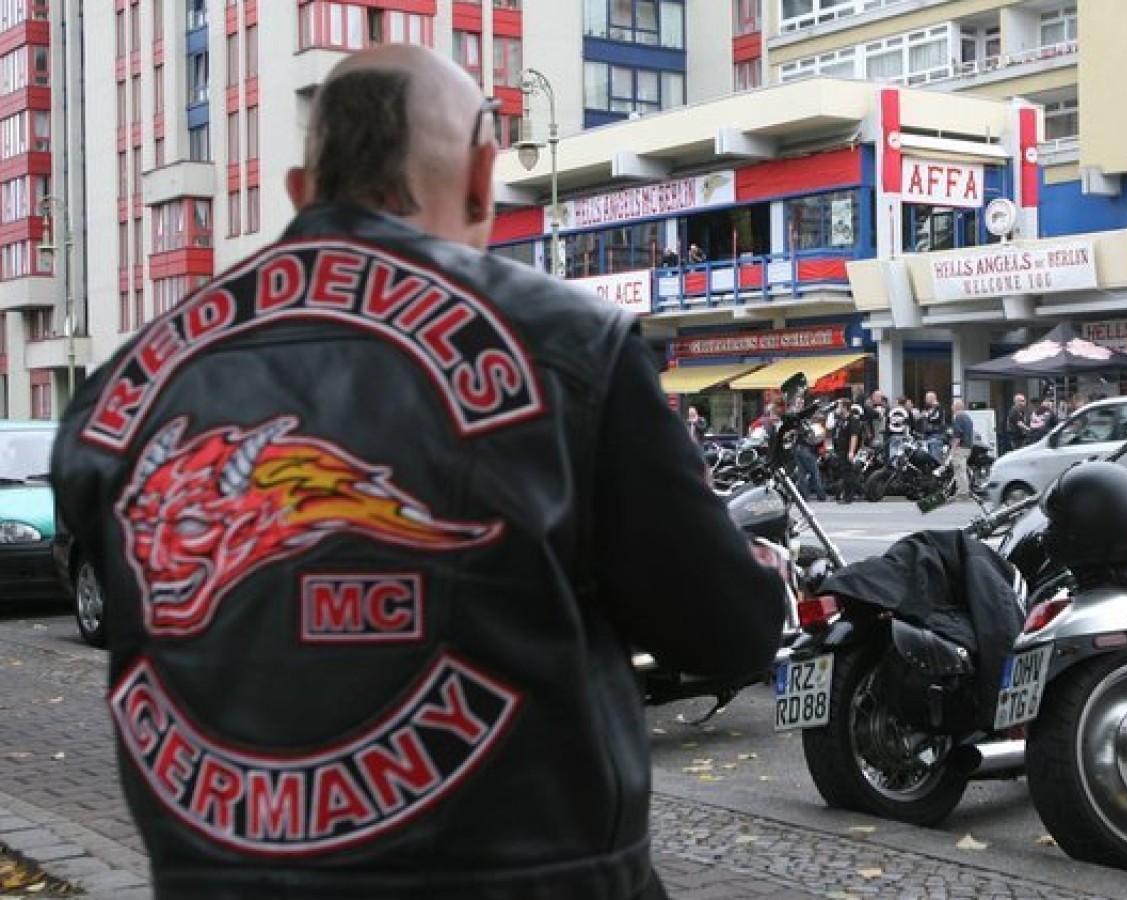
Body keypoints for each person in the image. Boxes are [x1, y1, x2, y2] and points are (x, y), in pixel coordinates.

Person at [47, 45, 784, 900]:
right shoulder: (569, 348)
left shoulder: (126, 386)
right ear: (482, 176)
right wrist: (764, 577)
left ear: (299, 194)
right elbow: (725, 633)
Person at [833, 404, 867, 503]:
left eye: (840, 406)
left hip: (847, 450)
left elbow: (854, 436)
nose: (838, 409)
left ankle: (848, 497)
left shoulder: (853, 420)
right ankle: (861, 492)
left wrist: (851, 451)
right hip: (840, 450)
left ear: (845, 407)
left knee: (848, 474)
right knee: (846, 473)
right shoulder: (841, 420)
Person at [794, 410, 829, 502]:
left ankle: (804, 496)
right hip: (808, 451)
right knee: (815, 474)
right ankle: (821, 496)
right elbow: (817, 442)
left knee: (801, 474)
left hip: (798, 449)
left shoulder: (806, 426)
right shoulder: (819, 429)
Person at [947, 398, 976, 498]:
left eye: (952, 405)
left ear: (956, 407)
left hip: (960, 447)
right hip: (968, 447)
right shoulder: (968, 418)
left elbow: (957, 435)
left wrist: (952, 449)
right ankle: (962, 490)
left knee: (960, 469)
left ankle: (963, 492)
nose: (951, 407)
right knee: (961, 469)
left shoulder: (958, 417)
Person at [920, 390, 948, 456]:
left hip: (936, 435)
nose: (925, 400)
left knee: (935, 458)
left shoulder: (938, 407)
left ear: (932, 398)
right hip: (931, 436)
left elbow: (935, 418)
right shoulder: (932, 408)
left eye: (926, 398)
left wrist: (926, 415)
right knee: (931, 457)